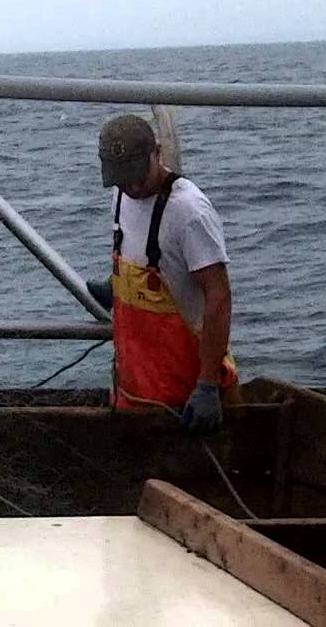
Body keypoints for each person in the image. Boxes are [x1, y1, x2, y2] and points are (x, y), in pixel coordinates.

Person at [92, 114, 239, 434]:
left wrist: (208, 385)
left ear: (157, 154)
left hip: (184, 401)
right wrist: (118, 287)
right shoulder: (120, 196)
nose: (131, 188)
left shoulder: (190, 212)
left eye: (137, 177)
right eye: (121, 180)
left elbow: (218, 295)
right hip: (133, 392)